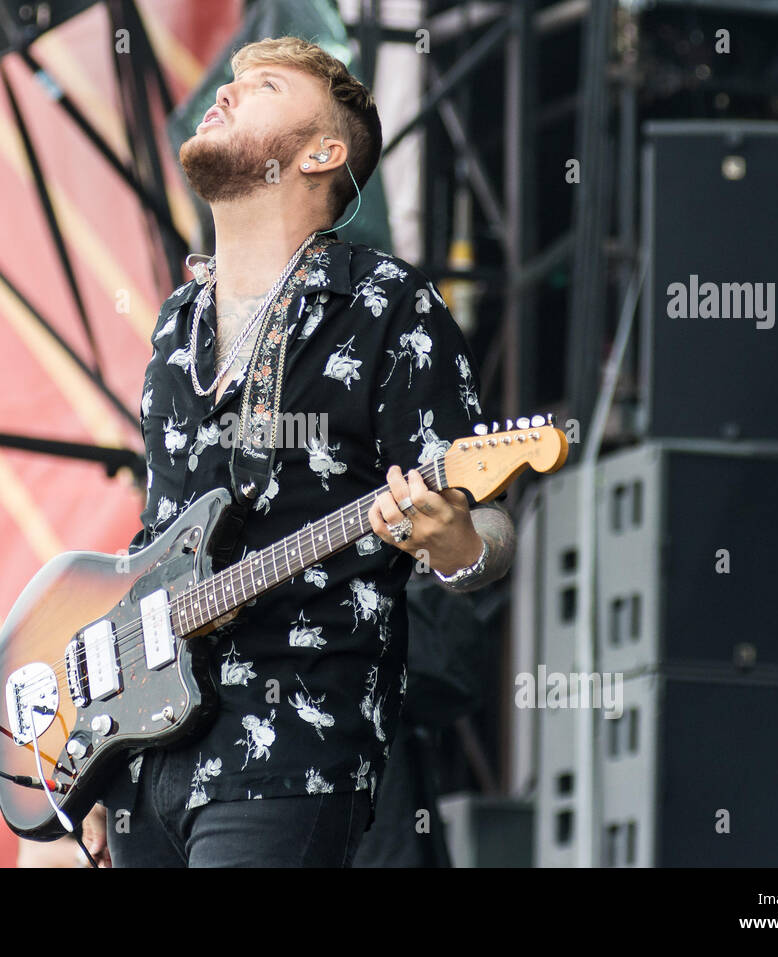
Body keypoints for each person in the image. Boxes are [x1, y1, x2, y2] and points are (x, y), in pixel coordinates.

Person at [86, 35, 515, 868]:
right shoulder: (178, 328)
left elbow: (489, 531)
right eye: (233, 81)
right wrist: (97, 761)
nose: (226, 92)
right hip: (147, 761)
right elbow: (151, 555)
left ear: (322, 152)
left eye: (265, 85)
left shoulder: (388, 304)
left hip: (287, 750)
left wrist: (453, 543)